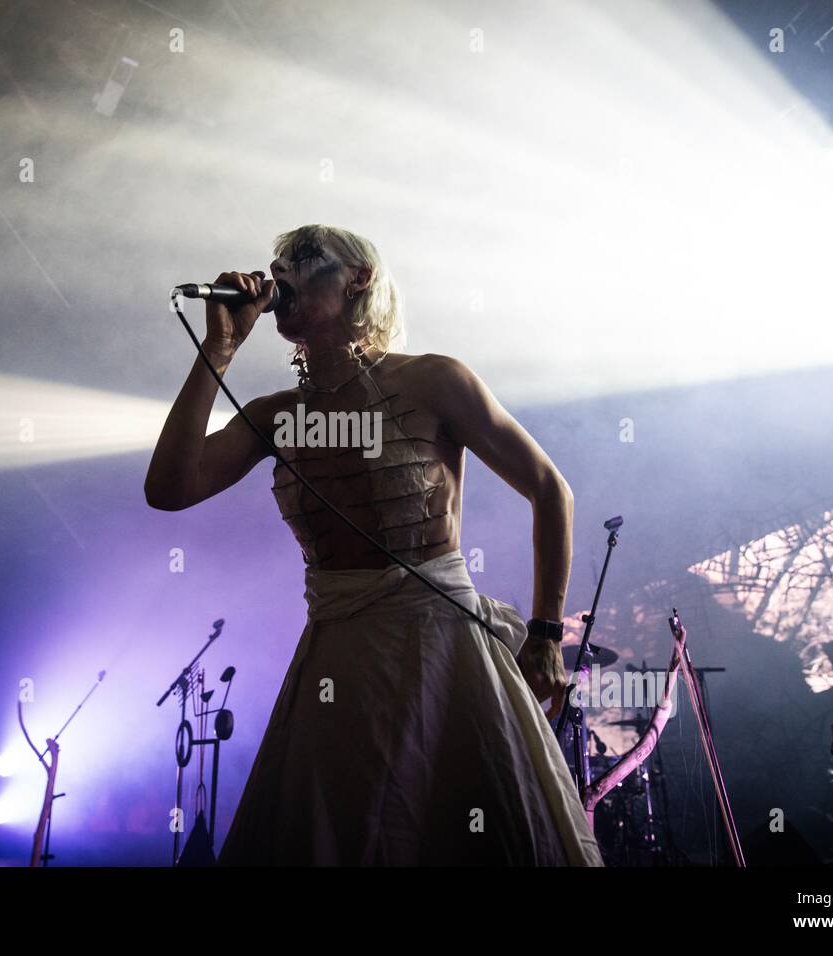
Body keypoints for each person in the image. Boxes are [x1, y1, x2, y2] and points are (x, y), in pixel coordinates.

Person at [146, 224, 602, 865]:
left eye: (302, 261)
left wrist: (547, 634)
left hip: (442, 645)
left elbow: (550, 490)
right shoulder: (277, 414)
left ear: (359, 277)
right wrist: (217, 350)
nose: (280, 276)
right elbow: (169, 488)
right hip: (339, 657)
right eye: (276, 266)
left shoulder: (435, 381)